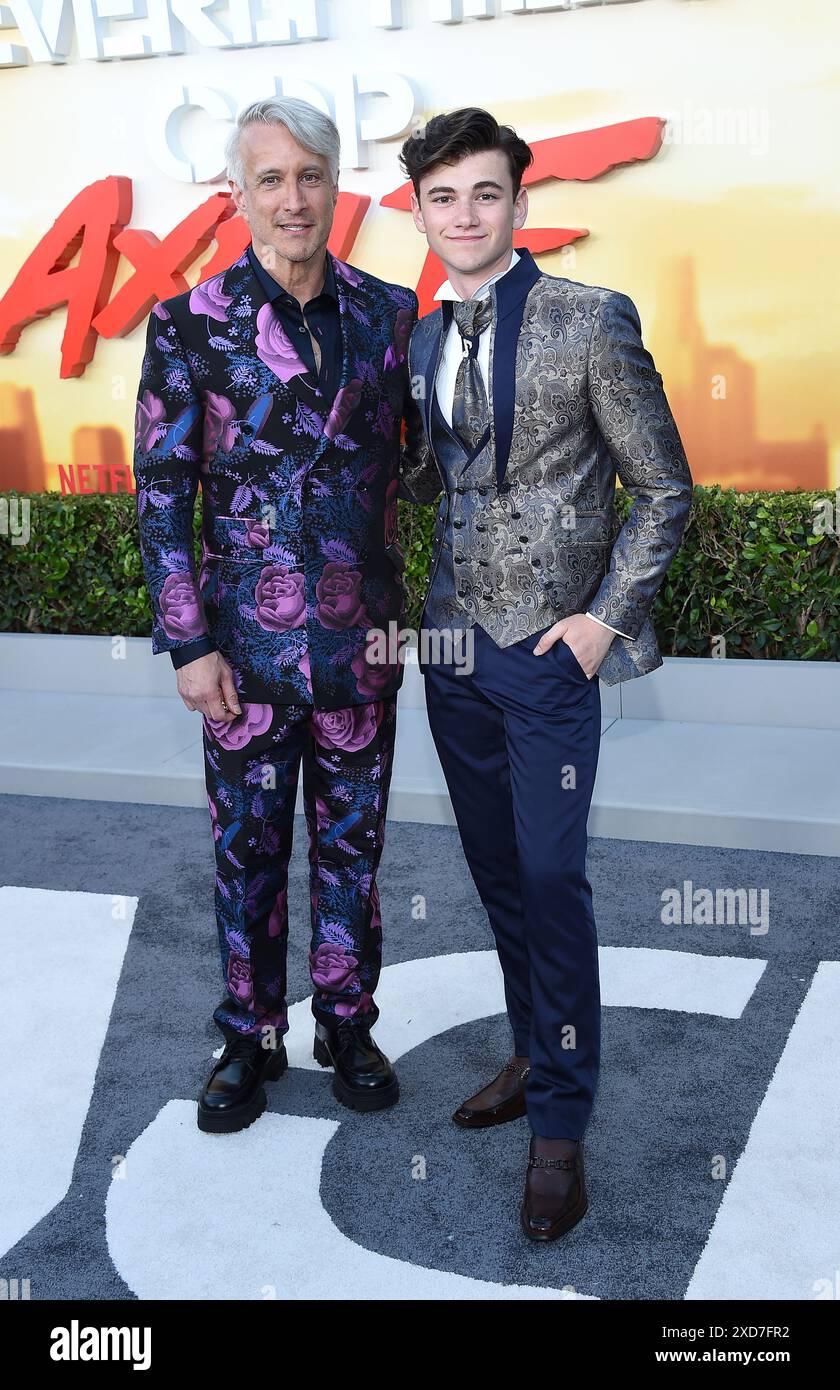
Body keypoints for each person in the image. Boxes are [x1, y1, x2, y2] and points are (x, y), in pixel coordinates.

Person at [398, 107, 692, 1240]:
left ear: (519, 204)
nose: (464, 215)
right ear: (419, 211)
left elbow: (664, 489)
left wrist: (598, 625)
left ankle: (562, 1126)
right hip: (451, 648)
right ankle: (534, 1049)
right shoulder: (424, 338)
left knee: (552, 875)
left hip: (547, 653)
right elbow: (435, 479)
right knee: (497, 869)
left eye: (484, 193)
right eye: (442, 196)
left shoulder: (590, 317)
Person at [133, 97, 419, 1134]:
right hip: (240, 657)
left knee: (356, 847)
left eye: (310, 175)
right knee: (245, 850)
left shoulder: (393, 314)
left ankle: (346, 1020)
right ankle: (249, 1036)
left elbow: (425, 464)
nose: (292, 197)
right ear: (237, 194)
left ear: (335, 185)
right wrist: (189, 640)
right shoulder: (188, 324)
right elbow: (161, 490)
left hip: (362, 642)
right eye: (270, 179)